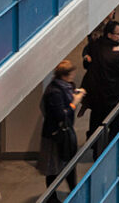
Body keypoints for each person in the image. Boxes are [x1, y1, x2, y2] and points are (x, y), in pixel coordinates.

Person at [82, 19, 119, 147]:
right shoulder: (114, 55)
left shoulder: (95, 46)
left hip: (97, 95)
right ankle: (112, 148)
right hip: (112, 96)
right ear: (109, 35)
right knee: (116, 125)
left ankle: (94, 146)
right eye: (118, 34)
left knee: (96, 124)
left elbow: (87, 62)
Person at [38, 60, 83, 200]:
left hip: (64, 132)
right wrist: (74, 103)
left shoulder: (64, 86)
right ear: (65, 75)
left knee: (68, 164)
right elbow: (61, 114)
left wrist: (75, 94)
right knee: (54, 168)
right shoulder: (54, 92)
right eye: (72, 73)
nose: (74, 76)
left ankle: (74, 190)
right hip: (56, 135)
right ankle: (52, 197)